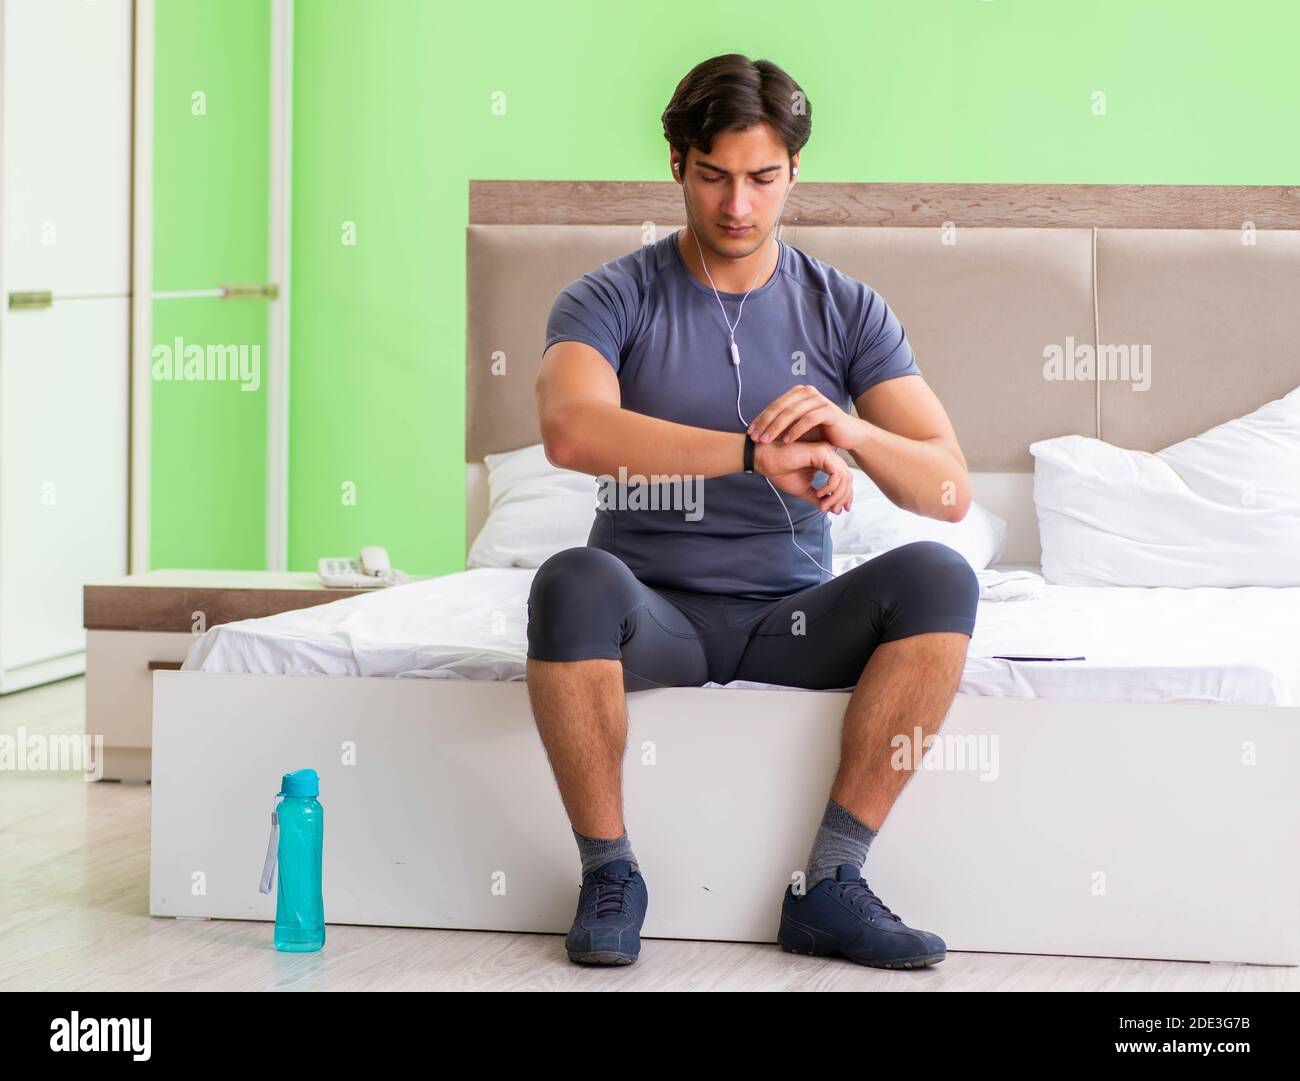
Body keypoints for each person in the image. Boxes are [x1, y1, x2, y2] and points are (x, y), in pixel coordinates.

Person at [527, 53, 979, 968]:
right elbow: (571, 432)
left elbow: (948, 488)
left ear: (794, 174)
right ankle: (610, 873)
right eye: (714, 177)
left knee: (941, 575)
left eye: (763, 179)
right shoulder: (612, 295)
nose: (738, 206)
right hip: (652, 615)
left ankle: (833, 886)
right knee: (568, 580)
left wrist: (849, 433)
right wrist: (751, 455)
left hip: (792, 617)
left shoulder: (846, 309)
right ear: (676, 164)